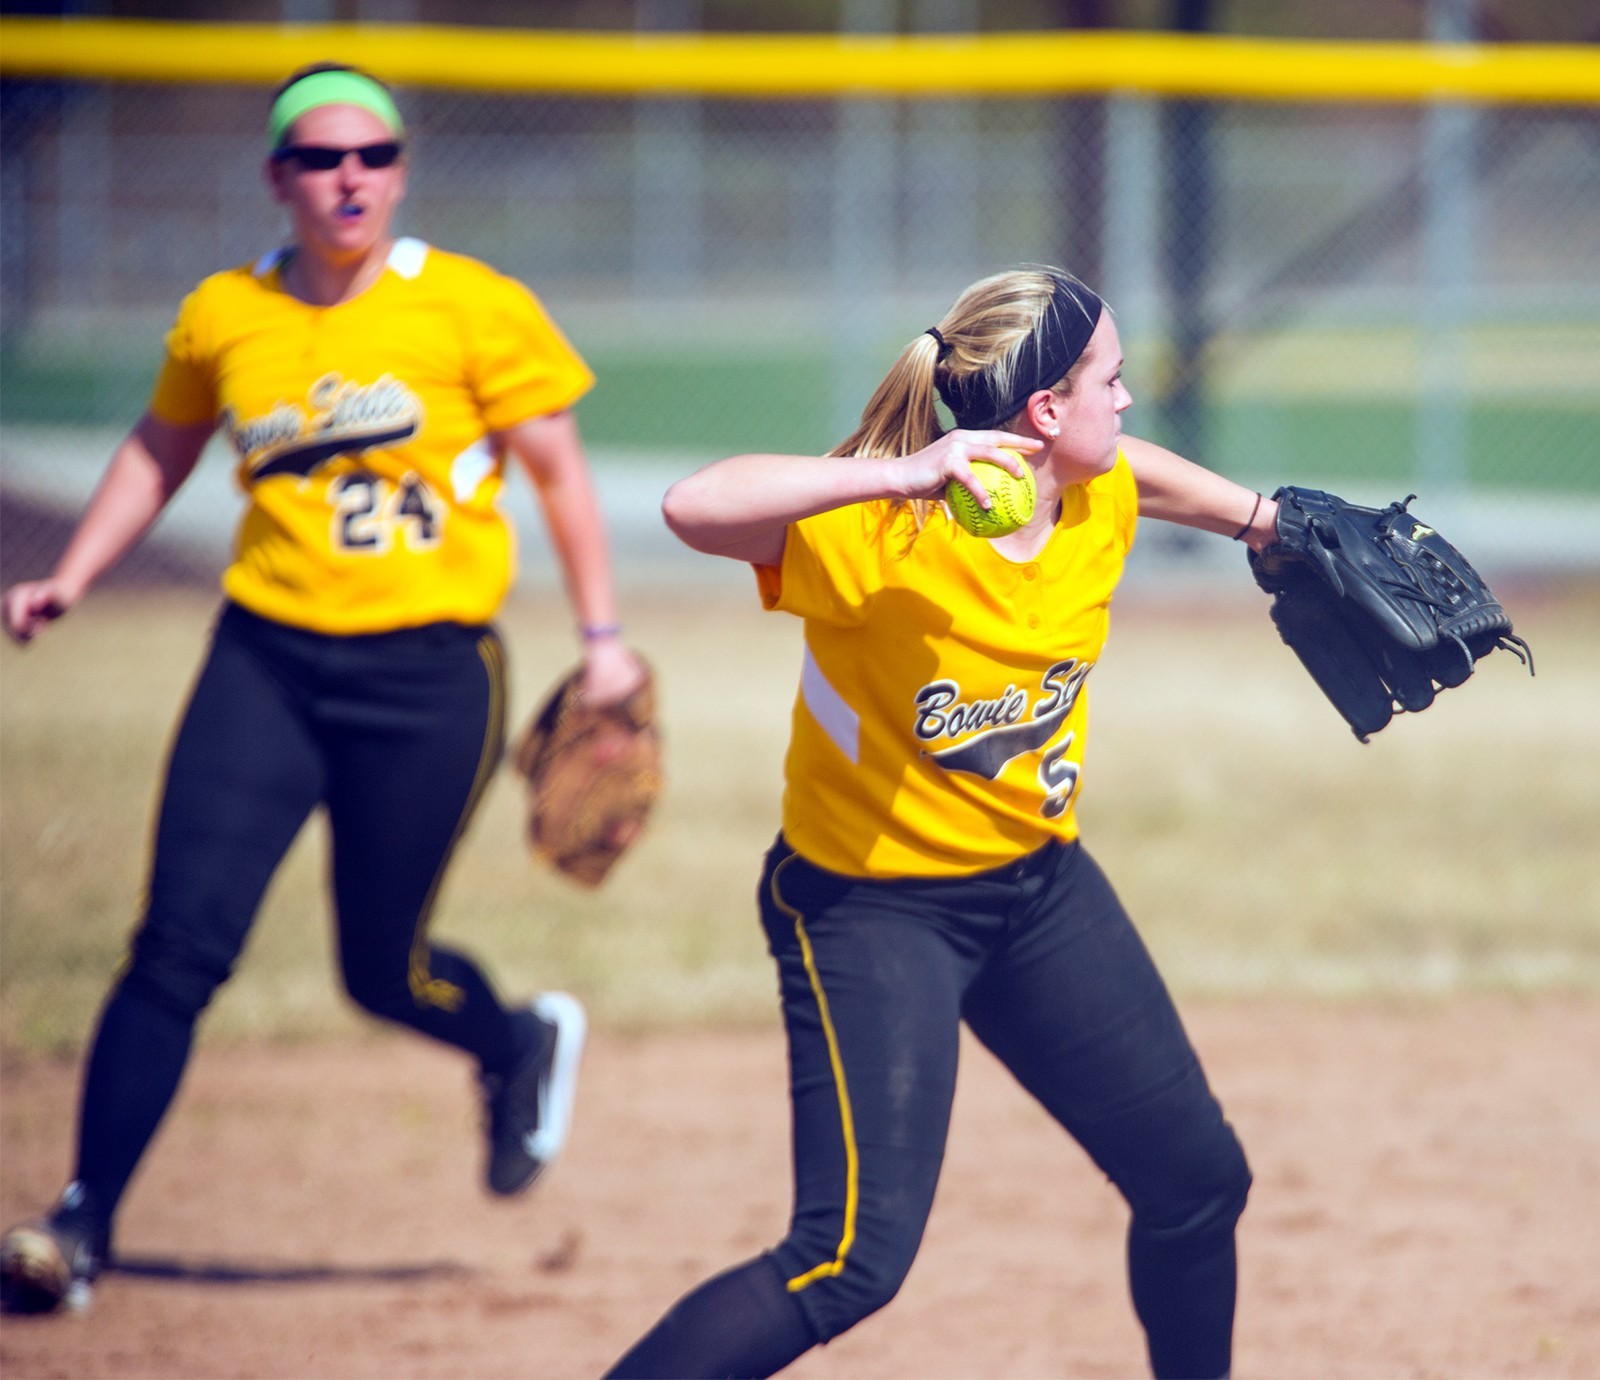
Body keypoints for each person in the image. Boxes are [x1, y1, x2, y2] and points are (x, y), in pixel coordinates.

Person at [0, 63, 642, 1316]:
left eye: (374, 154)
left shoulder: (470, 305)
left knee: (378, 969)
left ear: (399, 171)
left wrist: (603, 636)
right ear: (277, 177)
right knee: (176, 945)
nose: (349, 176)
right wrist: (71, 572)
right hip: (267, 660)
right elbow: (160, 447)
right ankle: (80, 1225)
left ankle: (515, 1044)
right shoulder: (224, 315)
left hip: (430, 676)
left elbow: (559, 474)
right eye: (320, 157)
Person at [605, 267, 1274, 1380]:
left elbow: (1139, 476)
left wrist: (1261, 519)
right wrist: (900, 472)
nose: (1126, 400)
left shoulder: (1091, 486)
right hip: (869, 909)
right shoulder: (884, 530)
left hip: (1036, 891)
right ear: (1044, 411)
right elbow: (692, 506)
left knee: (1196, 1181)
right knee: (850, 1260)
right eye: (1109, 380)